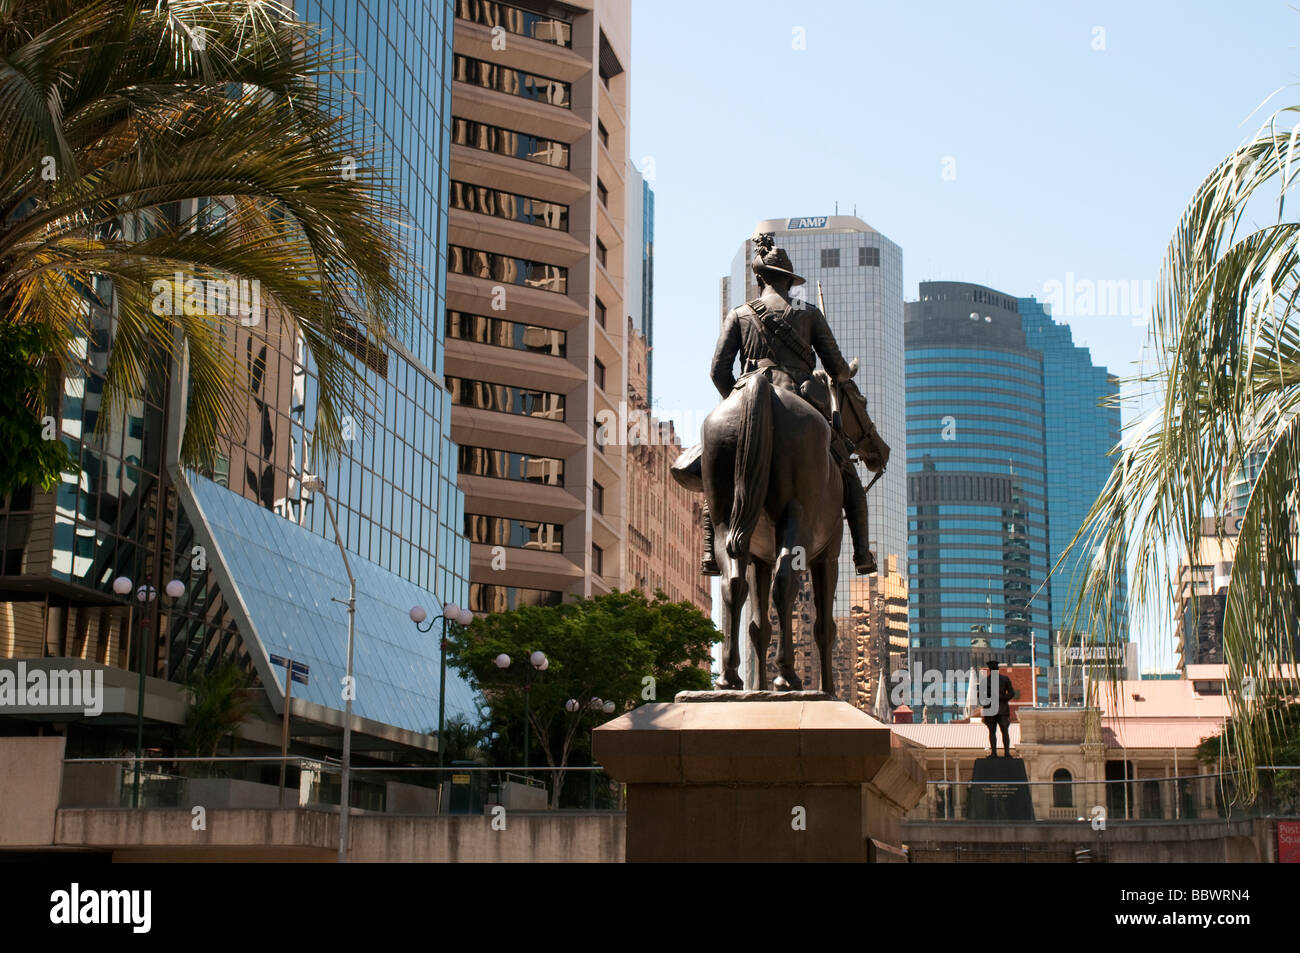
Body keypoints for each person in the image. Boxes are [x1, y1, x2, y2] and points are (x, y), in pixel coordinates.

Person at [695, 232, 877, 575]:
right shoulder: (808, 314)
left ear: (760, 278)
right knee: (848, 476)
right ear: (790, 282)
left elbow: (718, 371)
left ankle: (710, 547)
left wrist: (738, 408)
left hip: (744, 396)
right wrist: (832, 371)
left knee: (712, 473)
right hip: (801, 403)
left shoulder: (739, 314)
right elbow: (838, 370)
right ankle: (862, 554)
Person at [981, 660, 1017, 758]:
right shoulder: (985, 681)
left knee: (1004, 730)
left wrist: (1001, 697)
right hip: (990, 709)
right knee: (992, 731)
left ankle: (1007, 752)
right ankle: (993, 753)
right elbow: (980, 696)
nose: (993, 670)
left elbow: (1011, 693)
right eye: (992, 668)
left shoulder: (1005, 679)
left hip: (1002, 709)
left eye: (995, 668)